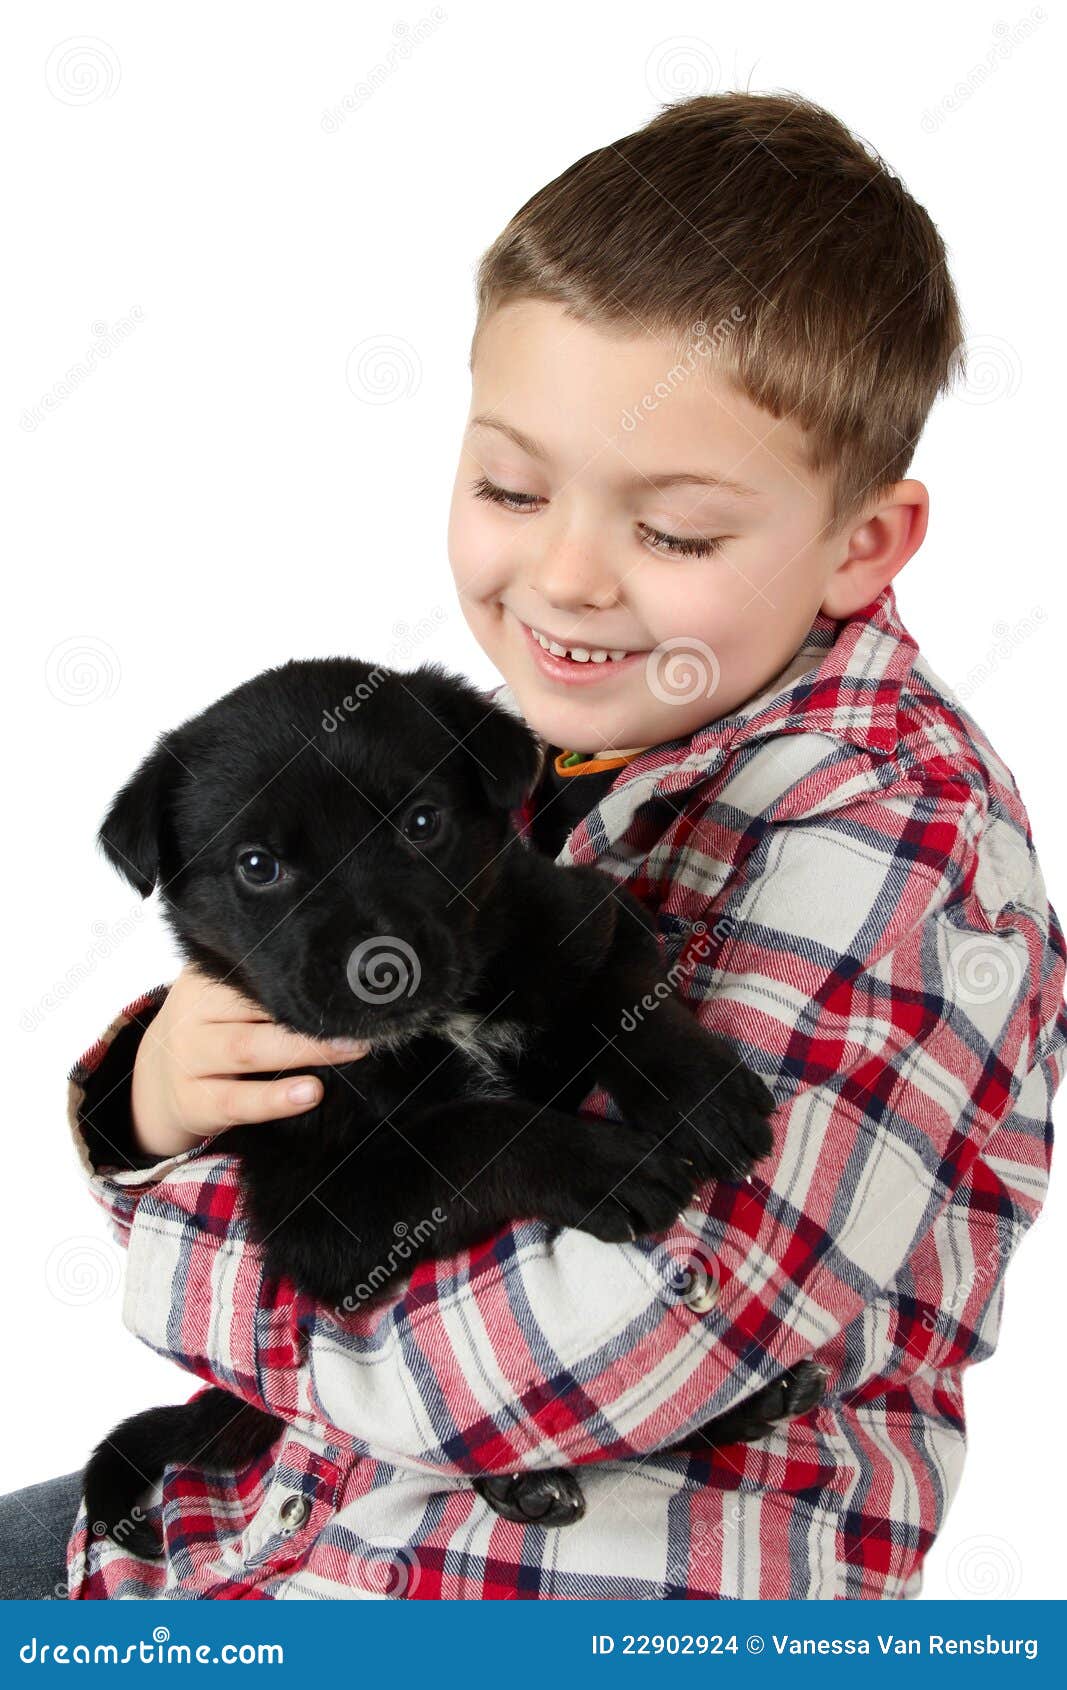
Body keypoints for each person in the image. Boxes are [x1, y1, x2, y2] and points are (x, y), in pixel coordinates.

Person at [6, 91, 1063, 1601]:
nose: (565, 577)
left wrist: (179, 1239)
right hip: (289, 1506)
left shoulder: (901, 854)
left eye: (677, 532)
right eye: (511, 486)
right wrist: (145, 1102)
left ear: (863, 543)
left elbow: (630, 1338)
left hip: (539, 1589)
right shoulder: (557, 741)